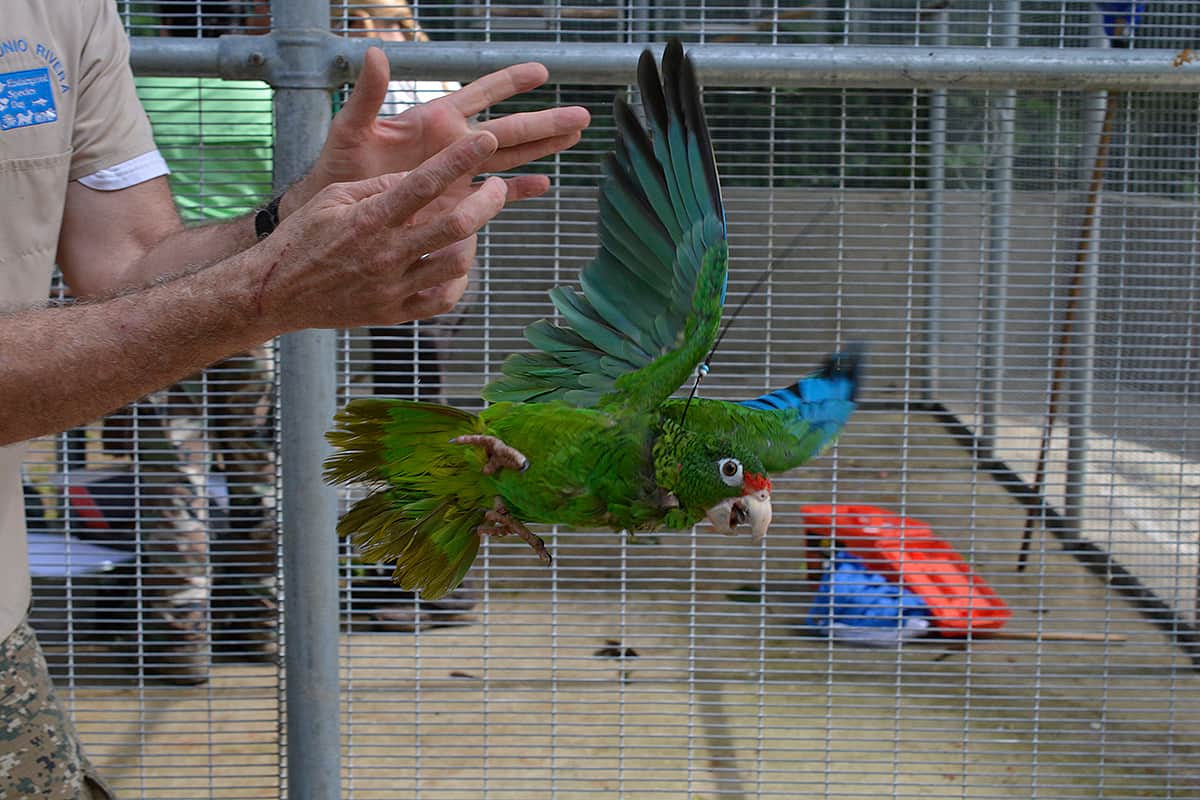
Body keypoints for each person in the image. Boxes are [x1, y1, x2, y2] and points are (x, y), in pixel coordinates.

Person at [0, 1, 589, 796]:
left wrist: (293, 221)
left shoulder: (68, 13)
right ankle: (257, 618)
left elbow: (127, 262)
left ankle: (195, 626)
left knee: (195, 471)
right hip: (194, 340)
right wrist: (265, 292)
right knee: (248, 470)